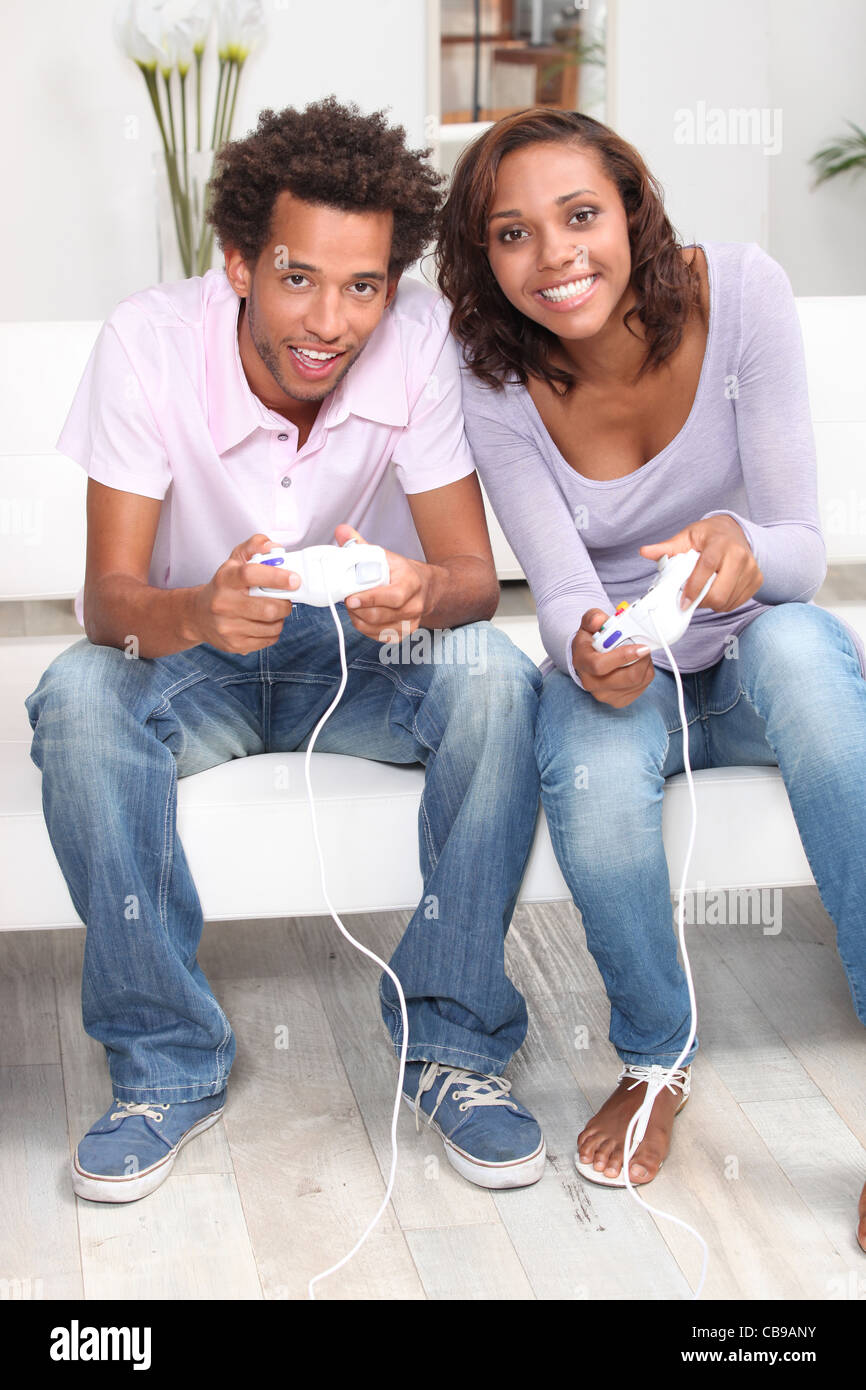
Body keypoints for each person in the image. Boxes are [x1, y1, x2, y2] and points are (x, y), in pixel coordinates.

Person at [24, 97, 547, 1204]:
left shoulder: (416, 343)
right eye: (297, 276)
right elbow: (104, 599)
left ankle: (451, 1042)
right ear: (237, 263)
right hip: (193, 649)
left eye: (363, 285)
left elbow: (466, 577)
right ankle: (165, 1066)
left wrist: (419, 590)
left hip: (354, 657)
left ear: (393, 283)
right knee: (76, 697)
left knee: (497, 677)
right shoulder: (147, 344)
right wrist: (200, 613)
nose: (328, 320)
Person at [436, 107, 866, 1239]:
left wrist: (736, 551)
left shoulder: (742, 296)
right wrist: (585, 642)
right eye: (513, 233)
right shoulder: (492, 375)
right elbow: (560, 586)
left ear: (629, 207)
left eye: (580, 215)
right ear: (485, 258)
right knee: (582, 772)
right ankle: (652, 1057)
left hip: (754, 639)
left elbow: (800, 550)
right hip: (626, 670)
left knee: (812, 672)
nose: (556, 255)